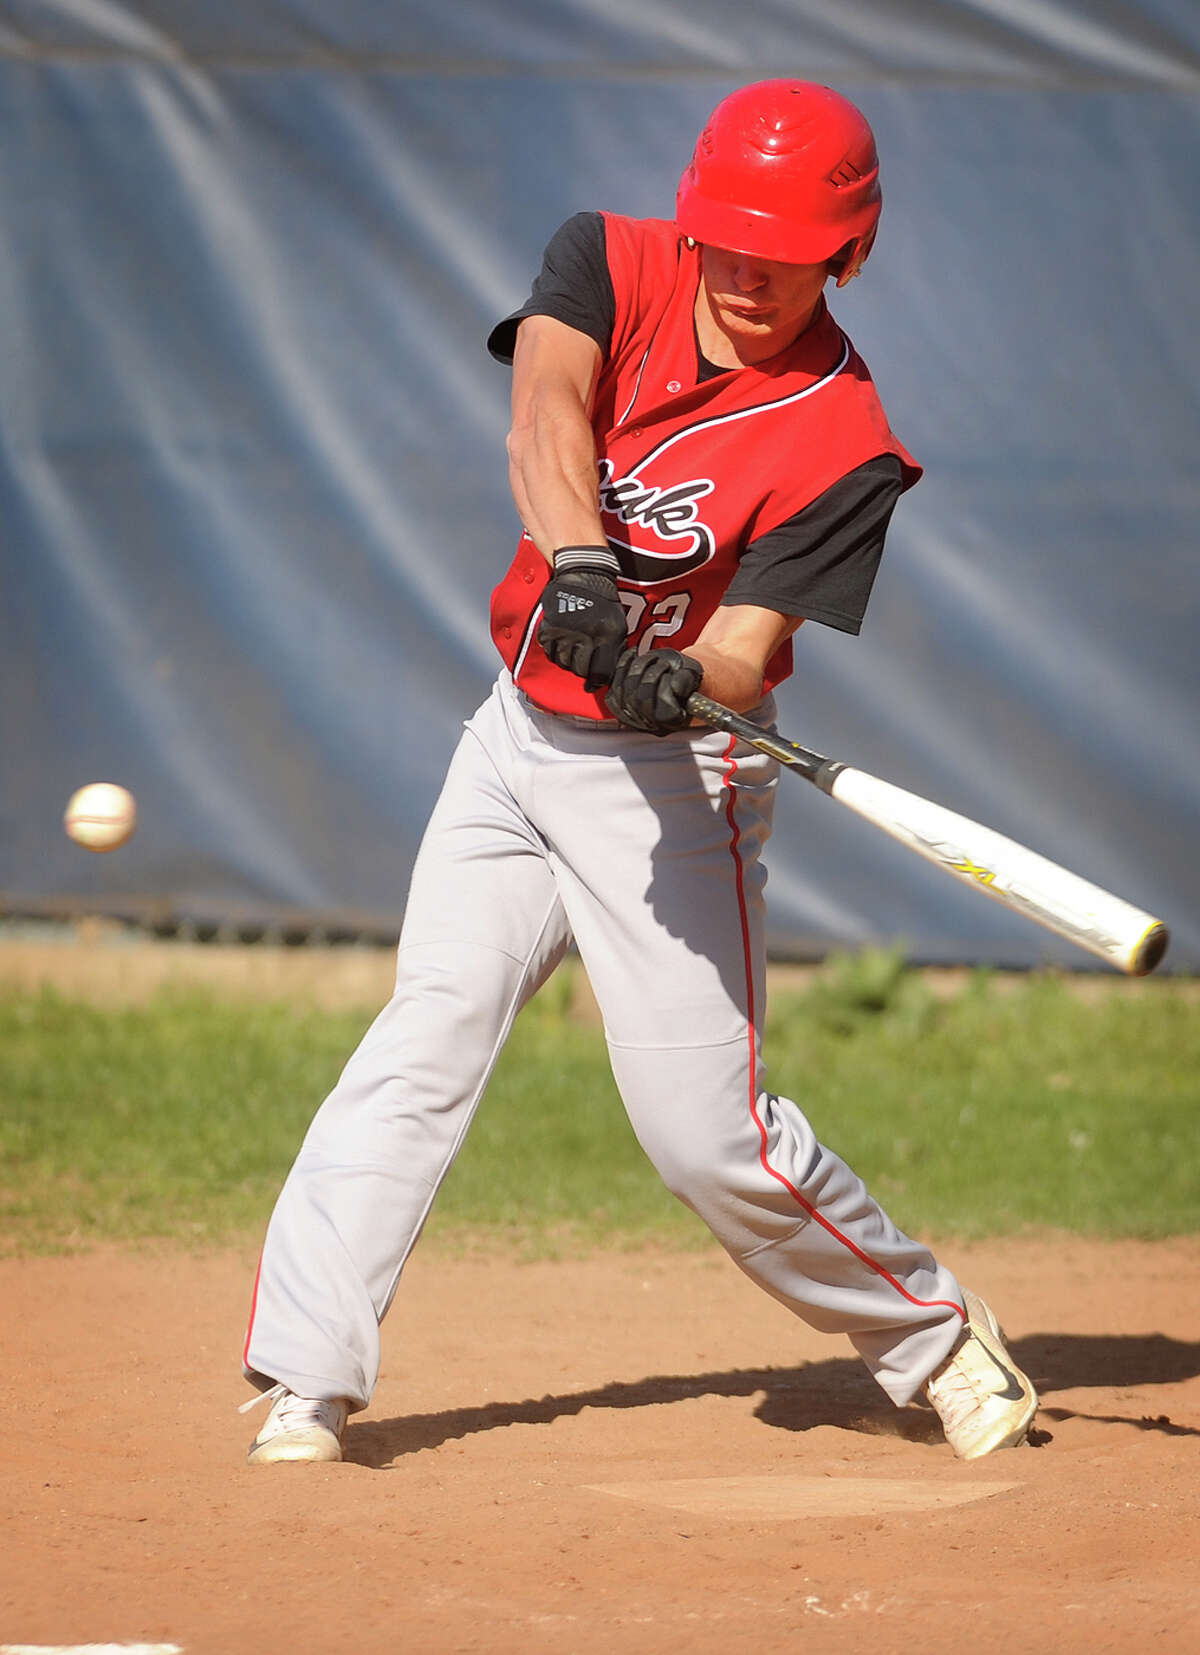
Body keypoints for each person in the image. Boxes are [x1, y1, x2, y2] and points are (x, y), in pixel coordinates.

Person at [240, 79, 1038, 1466]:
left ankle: (934, 1333)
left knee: (706, 1139)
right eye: (725, 235)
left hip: (674, 792)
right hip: (515, 741)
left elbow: (746, 649)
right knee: (424, 1037)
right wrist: (585, 572)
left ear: (846, 252)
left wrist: (688, 682)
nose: (744, 272)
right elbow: (545, 417)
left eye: (781, 251)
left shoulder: (847, 442)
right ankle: (305, 1379)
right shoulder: (608, 260)